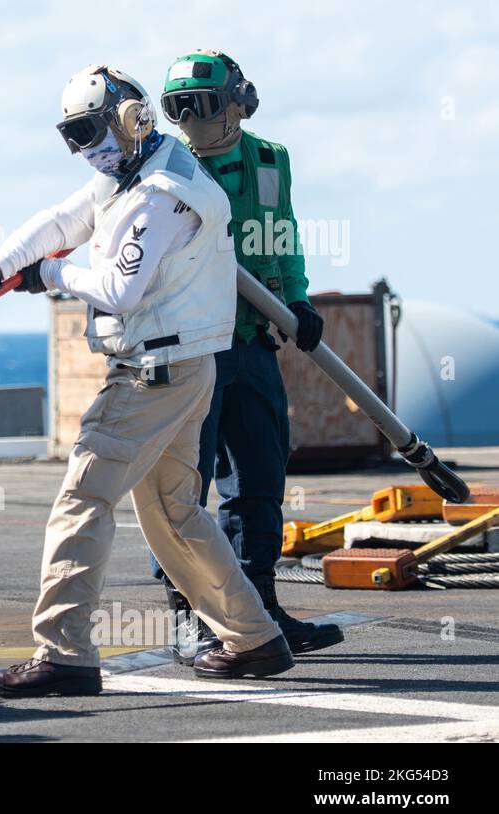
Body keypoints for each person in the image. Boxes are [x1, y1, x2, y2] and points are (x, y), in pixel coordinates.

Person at [0, 64, 294, 697]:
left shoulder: (160, 191)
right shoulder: (131, 173)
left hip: (151, 376)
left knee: (82, 500)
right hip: (181, 370)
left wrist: (47, 277)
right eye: (73, 136)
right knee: (175, 513)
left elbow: (118, 290)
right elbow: (58, 221)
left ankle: (64, 653)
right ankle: (254, 637)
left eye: (91, 131)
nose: (85, 149)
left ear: (129, 119)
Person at [156, 50, 343, 662]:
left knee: (260, 483)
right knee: (185, 490)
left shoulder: (270, 159)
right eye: (177, 108)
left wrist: (298, 299)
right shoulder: (162, 165)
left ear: (239, 101)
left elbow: (281, 228)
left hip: (252, 343)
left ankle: (257, 608)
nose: (191, 119)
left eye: (202, 105)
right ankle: (189, 617)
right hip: (191, 348)